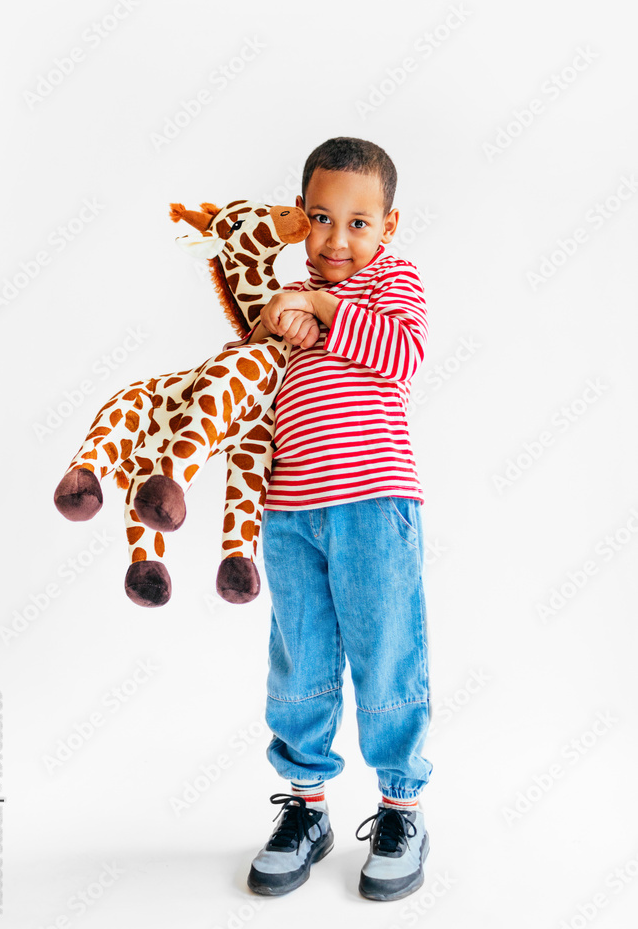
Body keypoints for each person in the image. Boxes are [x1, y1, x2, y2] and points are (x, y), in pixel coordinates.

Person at [240, 136, 432, 902]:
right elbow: (249, 381)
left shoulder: (391, 285)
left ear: (387, 227)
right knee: (300, 666)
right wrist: (275, 322)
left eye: (358, 222)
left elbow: (402, 355)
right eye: (320, 217)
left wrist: (322, 307)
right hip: (290, 513)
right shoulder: (283, 294)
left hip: (373, 506)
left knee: (387, 657)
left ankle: (400, 808)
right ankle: (306, 809)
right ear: (299, 217)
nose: (336, 239)